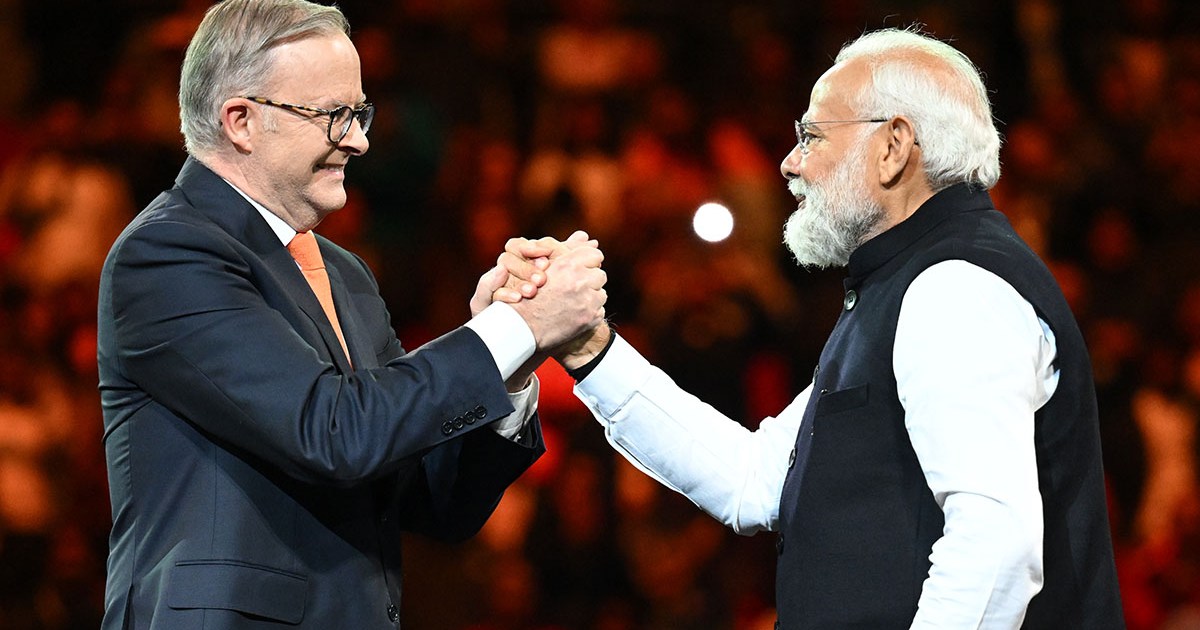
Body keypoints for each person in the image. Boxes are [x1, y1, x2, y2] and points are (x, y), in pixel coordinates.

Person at [499, 27, 1124, 628]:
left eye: (814, 134)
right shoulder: (903, 288)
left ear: (893, 146)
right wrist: (588, 347)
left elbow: (995, 545)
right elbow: (751, 481)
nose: (790, 162)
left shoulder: (955, 288)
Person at [96, 1, 606, 628]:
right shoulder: (168, 255)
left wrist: (510, 366)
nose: (360, 140)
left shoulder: (344, 273)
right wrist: (507, 330)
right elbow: (332, 432)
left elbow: (433, 500)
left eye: (359, 113)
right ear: (241, 121)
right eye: (333, 115)